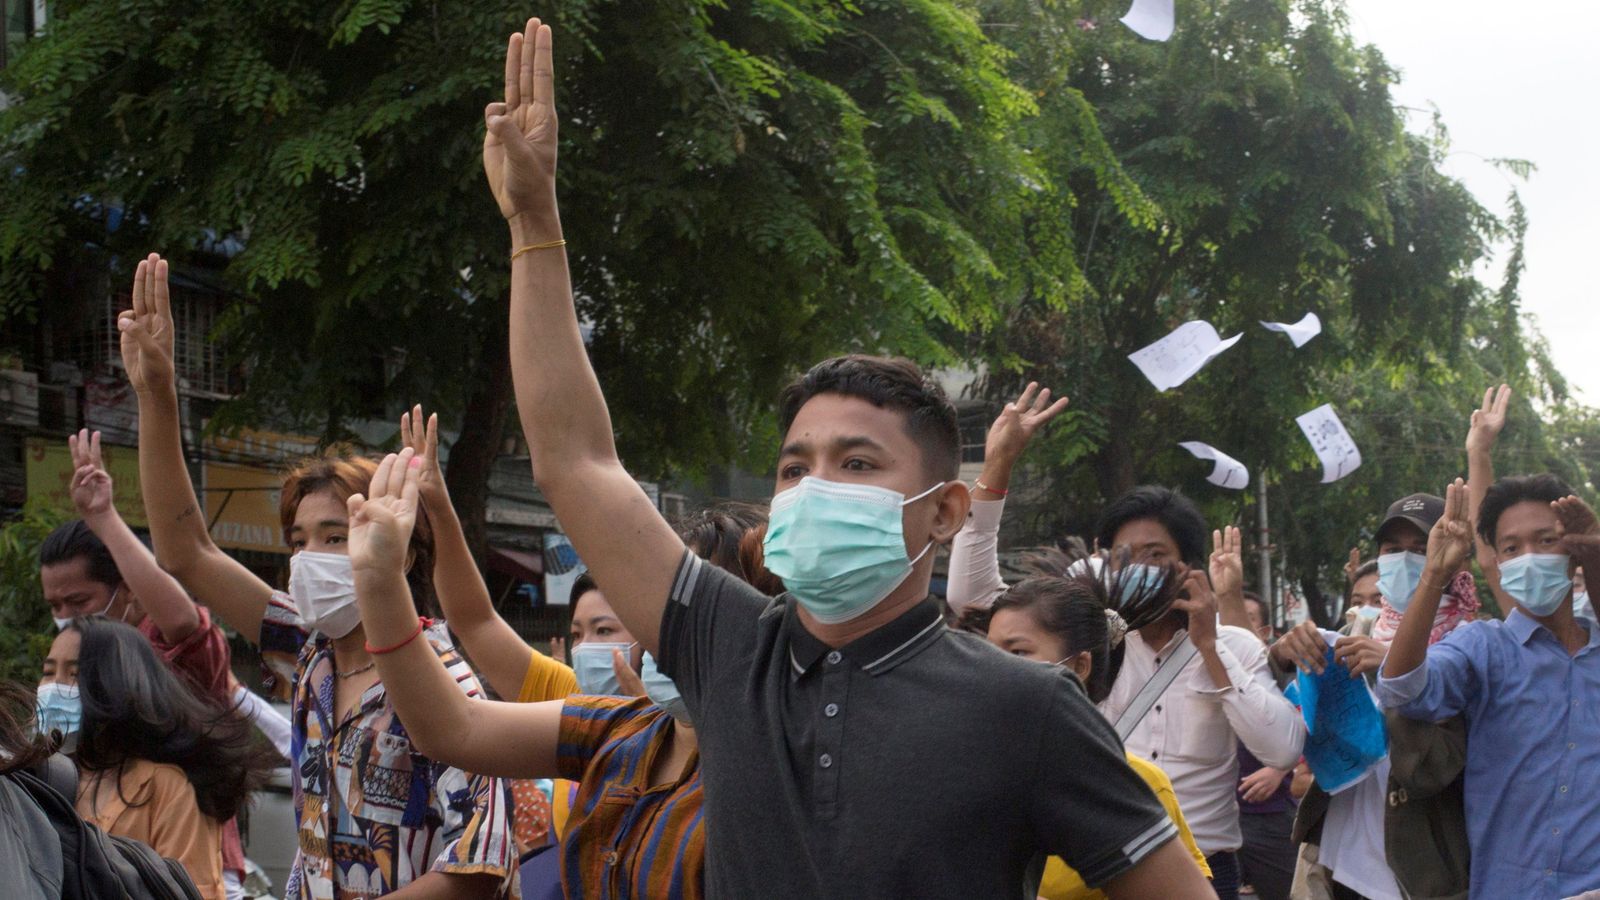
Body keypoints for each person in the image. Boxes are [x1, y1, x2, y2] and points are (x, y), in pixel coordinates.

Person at [355, 19, 1213, 898]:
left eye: (858, 464)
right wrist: (535, 225)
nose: (815, 490)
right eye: (795, 468)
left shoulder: (1027, 710)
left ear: (946, 511)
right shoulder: (729, 647)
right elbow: (576, 460)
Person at [117, 256, 517, 899]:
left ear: (401, 551)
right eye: (299, 540)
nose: (312, 558)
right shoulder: (311, 651)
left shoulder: (446, 685)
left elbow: (478, 871)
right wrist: (156, 393)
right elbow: (185, 550)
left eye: (338, 536)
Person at [348, 451, 786, 899]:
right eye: (665, 604)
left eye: (702, 609)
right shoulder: (617, 729)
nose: (671, 627)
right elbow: (455, 728)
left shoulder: (791, 764)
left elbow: (576, 459)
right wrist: (380, 581)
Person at [947, 390, 1303, 900]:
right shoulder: (1089, 633)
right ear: (1102, 559)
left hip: (1203, 870)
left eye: (1156, 554)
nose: (1139, 567)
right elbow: (972, 596)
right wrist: (997, 463)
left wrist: (1209, 647)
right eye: (1124, 554)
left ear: (1189, 565)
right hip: (1094, 868)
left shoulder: (1235, 648)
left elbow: (1283, 747)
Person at [47, 428, 254, 897]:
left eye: (77, 602)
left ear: (128, 590)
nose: (65, 619)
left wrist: (103, 519)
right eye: (54, 607)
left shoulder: (170, 660)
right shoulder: (62, 775)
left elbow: (183, 620)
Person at [1378, 476, 1600, 900]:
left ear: (1574, 551)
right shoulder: (1482, 647)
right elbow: (1401, 690)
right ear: (1496, 561)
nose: (1529, 557)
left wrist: (1596, 550)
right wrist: (1434, 573)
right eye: (1512, 548)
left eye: (1546, 540)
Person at [966, 568, 1214, 899]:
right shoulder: (959, 770)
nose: (996, 669)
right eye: (989, 652)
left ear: (1080, 666)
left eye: (1018, 652)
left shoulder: (1136, 784)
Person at [40, 618, 277, 900]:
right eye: (48, 672)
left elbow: (189, 891)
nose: (53, 687)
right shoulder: (44, 778)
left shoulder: (167, 787)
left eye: (74, 674)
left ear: (117, 684)